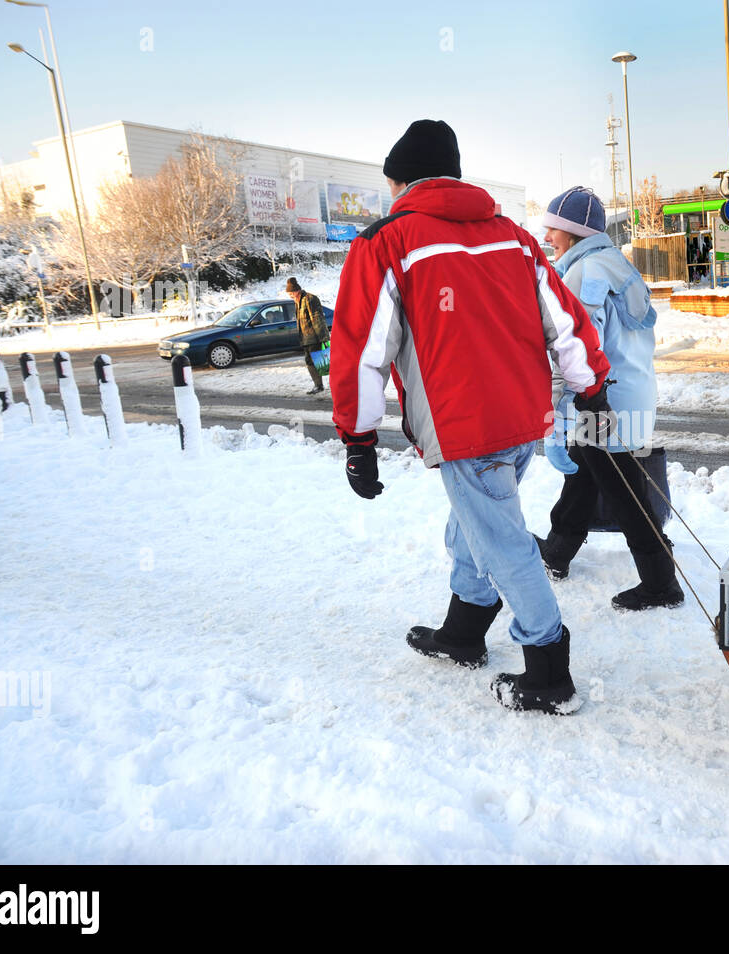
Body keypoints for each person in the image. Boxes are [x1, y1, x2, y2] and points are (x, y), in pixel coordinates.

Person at [329, 120, 612, 715]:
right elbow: (563, 321)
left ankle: (548, 670)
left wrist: (358, 438)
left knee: (502, 542)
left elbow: (363, 349)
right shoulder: (511, 236)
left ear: (402, 180)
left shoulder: (386, 242)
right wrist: (591, 388)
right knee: (474, 525)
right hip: (522, 417)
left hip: (463, 425)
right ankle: (463, 631)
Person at [536, 187, 684, 612]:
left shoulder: (585, 274)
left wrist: (556, 420)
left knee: (625, 491)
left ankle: (660, 582)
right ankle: (558, 550)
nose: (549, 236)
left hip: (603, 401)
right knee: (585, 473)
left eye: (555, 229)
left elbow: (579, 351)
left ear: (574, 232)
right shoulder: (615, 264)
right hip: (628, 393)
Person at [287, 277, 328, 395]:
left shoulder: (310, 299)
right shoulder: (297, 301)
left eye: (291, 293)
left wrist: (323, 339)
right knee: (312, 362)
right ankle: (318, 385)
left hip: (314, 337)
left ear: (296, 291)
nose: (290, 296)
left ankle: (321, 385)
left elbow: (317, 319)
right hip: (305, 338)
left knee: (322, 362)